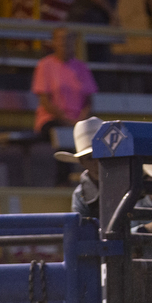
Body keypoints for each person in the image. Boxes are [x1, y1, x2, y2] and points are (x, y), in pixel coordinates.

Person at [32, 26, 98, 184]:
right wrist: (67, 120)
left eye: (68, 39)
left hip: (79, 121)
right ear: (54, 42)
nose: (64, 42)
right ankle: (62, 182)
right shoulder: (45, 65)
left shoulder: (81, 67)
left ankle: (95, 180)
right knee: (64, 134)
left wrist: (81, 119)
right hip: (53, 119)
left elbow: (89, 100)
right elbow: (45, 102)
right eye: (60, 39)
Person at [55, 116, 106, 215]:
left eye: (102, 156)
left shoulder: (131, 184)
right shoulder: (80, 195)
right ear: (82, 162)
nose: (97, 163)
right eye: (90, 158)